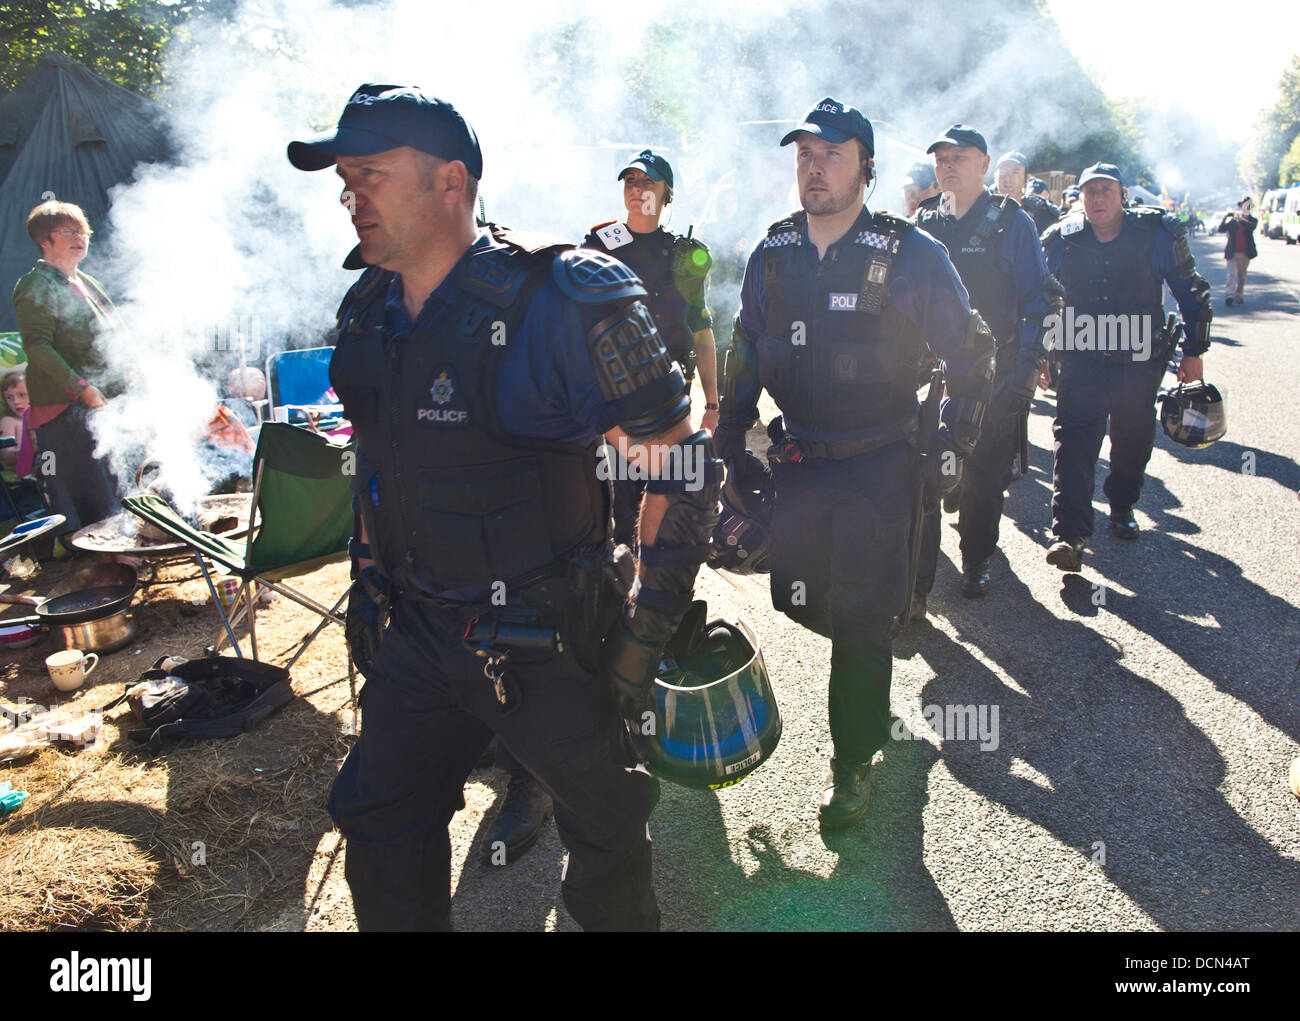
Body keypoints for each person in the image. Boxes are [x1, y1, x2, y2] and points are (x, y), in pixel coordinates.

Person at [290, 84, 720, 931]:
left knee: (605, 833)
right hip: (417, 632)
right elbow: (378, 464)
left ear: (451, 182)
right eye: (344, 179)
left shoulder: (561, 298)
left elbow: (677, 464)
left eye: (369, 173)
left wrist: (642, 633)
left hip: (551, 639)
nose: (351, 198)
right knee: (378, 818)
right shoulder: (368, 306)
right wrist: (370, 583)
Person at [714, 98, 994, 829]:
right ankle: (873, 654)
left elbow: (975, 352)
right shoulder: (772, 256)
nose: (814, 166)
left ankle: (853, 763)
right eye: (804, 153)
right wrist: (732, 437)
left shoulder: (910, 254)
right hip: (800, 460)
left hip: (881, 468)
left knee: (862, 621)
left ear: (866, 169)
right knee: (800, 600)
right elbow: (744, 350)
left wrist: (953, 444)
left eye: (832, 154)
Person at [912, 124, 1061, 604]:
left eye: (959, 157)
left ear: (984, 164)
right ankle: (917, 572)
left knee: (983, 475)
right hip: (932, 373)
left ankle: (977, 556)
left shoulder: (1012, 222)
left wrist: (1026, 369)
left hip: (994, 372)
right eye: (941, 159)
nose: (948, 166)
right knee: (924, 469)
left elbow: (1040, 299)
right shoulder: (924, 221)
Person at [1040, 163, 1212, 570]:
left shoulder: (1156, 235)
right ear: (1080, 198)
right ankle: (1070, 534)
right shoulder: (1060, 240)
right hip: (1080, 358)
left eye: (1106, 190)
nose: (1097, 198)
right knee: (1075, 441)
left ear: (1122, 195)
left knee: (1132, 438)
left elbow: (1190, 290)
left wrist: (1194, 350)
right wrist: (1043, 356)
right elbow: (1043, 300)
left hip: (1138, 361)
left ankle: (1121, 503)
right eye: (1090, 192)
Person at [582, 149, 718, 546]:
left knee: (673, 503)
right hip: (616, 397)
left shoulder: (684, 254)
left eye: (647, 182)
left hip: (670, 397)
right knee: (621, 510)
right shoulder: (599, 246)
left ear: (667, 194)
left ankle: (660, 594)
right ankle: (626, 593)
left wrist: (712, 403)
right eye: (630, 181)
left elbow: (701, 328)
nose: (637, 189)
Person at [11, 201, 121, 543]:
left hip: (101, 400)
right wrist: (81, 387)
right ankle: (107, 558)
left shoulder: (86, 281)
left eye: (83, 231)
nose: (80, 238)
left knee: (114, 478)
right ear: (45, 239)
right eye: (69, 231)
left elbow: (115, 332)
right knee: (90, 485)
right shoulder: (35, 285)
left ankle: (125, 544)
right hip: (65, 408)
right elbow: (38, 346)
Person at [1221, 197, 1257, 307]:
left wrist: (1240, 219)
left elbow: (1251, 227)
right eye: (1244, 205)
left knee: (1242, 276)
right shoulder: (1233, 221)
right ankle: (1229, 295)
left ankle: (1239, 294)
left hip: (1245, 253)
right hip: (1232, 252)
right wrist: (1225, 218)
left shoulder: (1252, 220)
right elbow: (1221, 229)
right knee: (1231, 274)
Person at [0, 371, 36, 476]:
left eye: (22, 395)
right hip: (26, 474)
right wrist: (28, 449)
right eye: (9, 398)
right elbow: (8, 457)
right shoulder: (9, 421)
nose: (15, 401)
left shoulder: (43, 421)